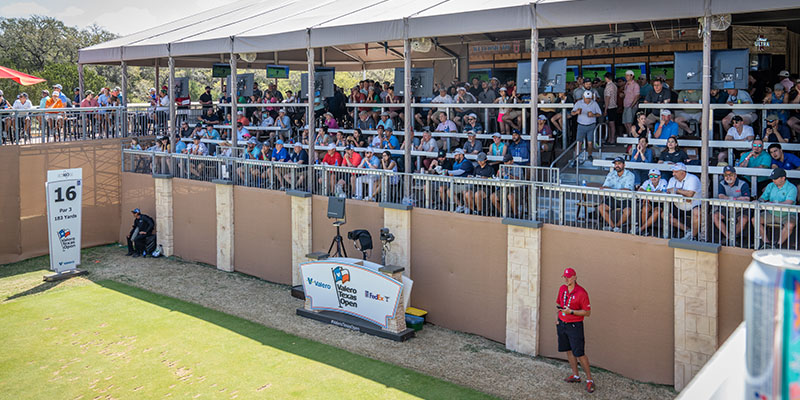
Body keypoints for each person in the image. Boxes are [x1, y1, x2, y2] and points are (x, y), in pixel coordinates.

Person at [556, 267, 595, 394]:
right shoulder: (562, 289)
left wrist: (571, 312)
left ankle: (589, 380)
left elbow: (587, 312)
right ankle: (576, 375)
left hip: (574, 326)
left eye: (568, 277)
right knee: (568, 350)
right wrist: (558, 319)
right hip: (562, 324)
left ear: (574, 277)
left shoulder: (581, 292)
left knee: (579, 353)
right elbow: (559, 305)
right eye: (565, 277)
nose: (566, 279)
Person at [754, 168, 797, 249]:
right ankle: (766, 243)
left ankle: (777, 245)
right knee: (755, 220)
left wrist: (774, 203)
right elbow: (763, 198)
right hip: (771, 213)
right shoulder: (770, 185)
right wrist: (759, 201)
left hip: (787, 214)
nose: (773, 180)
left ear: (783, 178)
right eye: (772, 178)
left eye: (775, 178)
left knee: (790, 225)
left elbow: (789, 202)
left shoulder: (792, 187)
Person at [712, 166, 751, 243]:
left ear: (735, 175)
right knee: (715, 216)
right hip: (727, 208)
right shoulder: (722, 183)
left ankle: (732, 237)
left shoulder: (743, 184)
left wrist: (731, 199)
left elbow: (746, 198)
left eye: (730, 174)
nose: (728, 177)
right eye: (726, 175)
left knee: (743, 219)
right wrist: (736, 198)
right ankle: (728, 237)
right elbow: (721, 196)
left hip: (741, 209)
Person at [597, 157, 635, 232]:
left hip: (626, 198)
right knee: (601, 207)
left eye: (619, 163)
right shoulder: (611, 174)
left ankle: (617, 226)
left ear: (624, 165)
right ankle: (613, 227)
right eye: (616, 164)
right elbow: (605, 186)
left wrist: (612, 189)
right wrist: (616, 190)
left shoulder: (630, 175)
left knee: (628, 211)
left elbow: (627, 189)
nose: (617, 165)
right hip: (614, 197)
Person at [666, 163, 702, 240]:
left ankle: (692, 237)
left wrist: (676, 190)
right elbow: (668, 191)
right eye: (673, 172)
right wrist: (683, 193)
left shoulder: (693, 179)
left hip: (693, 204)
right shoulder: (672, 179)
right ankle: (688, 230)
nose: (673, 174)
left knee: (697, 213)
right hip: (678, 204)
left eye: (676, 172)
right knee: (664, 214)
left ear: (683, 172)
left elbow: (690, 194)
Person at [570, 91, 601, 163]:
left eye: (589, 98)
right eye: (587, 98)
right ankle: (576, 158)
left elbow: (599, 114)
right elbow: (572, 112)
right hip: (581, 125)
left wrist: (593, 115)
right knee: (579, 143)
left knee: (590, 143)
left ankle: (589, 155)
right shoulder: (578, 103)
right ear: (583, 97)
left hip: (591, 125)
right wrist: (576, 112)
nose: (588, 100)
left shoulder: (594, 103)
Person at [637, 169, 668, 235]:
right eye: (651, 176)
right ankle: (645, 231)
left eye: (655, 176)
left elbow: (661, 191)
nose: (653, 178)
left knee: (657, 211)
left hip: (661, 202)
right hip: (650, 200)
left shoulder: (663, 181)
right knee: (645, 208)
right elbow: (640, 190)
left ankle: (642, 229)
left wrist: (647, 193)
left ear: (659, 176)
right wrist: (652, 193)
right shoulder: (647, 181)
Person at [602, 72, 619, 143]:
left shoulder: (609, 86)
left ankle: (612, 139)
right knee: (610, 123)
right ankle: (610, 138)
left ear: (607, 78)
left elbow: (607, 98)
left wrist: (605, 109)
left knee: (611, 124)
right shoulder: (614, 85)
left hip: (610, 107)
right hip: (614, 106)